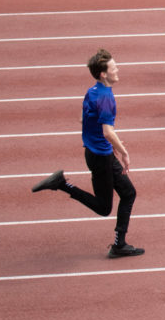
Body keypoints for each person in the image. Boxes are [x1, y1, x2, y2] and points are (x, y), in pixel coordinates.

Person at [31, 49, 144, 258]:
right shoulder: (106, 98)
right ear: (103, 74)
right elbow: (107, 132)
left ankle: (119, 245)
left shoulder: (93, 91)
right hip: (101, 158)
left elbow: (83, 119)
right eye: (114, 67)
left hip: (99, 153)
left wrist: (107, 142)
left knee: (128, 193)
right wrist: (124, 152)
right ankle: (62, 184)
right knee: (103, 208)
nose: (118, 69)